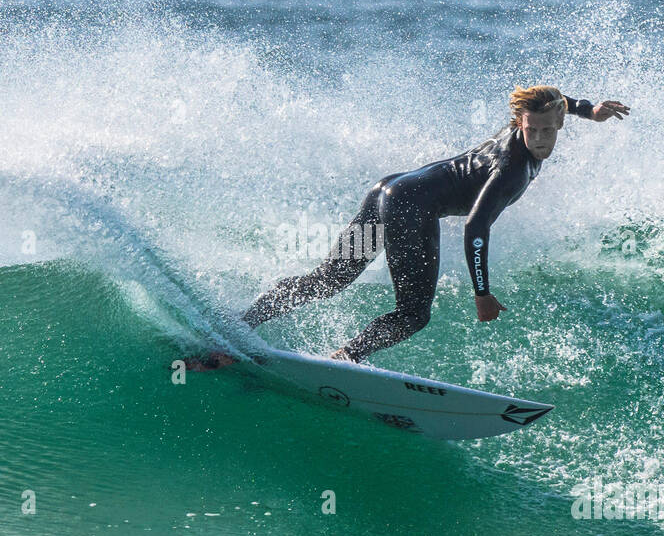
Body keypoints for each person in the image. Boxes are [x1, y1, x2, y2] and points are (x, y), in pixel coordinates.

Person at [242, 85, 629, 362]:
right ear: (518, 123)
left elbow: (559, 99)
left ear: (560, 120)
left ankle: (243, 322)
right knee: (414, 314)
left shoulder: (545, 116)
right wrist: (482, 293)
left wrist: (589, 110)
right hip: (408, 208)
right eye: (532, 129)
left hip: (388, 190)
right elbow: (475, 228)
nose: (540, 138)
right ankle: (346, 358)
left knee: (330, 279)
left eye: (548, 129)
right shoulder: (512, 169)